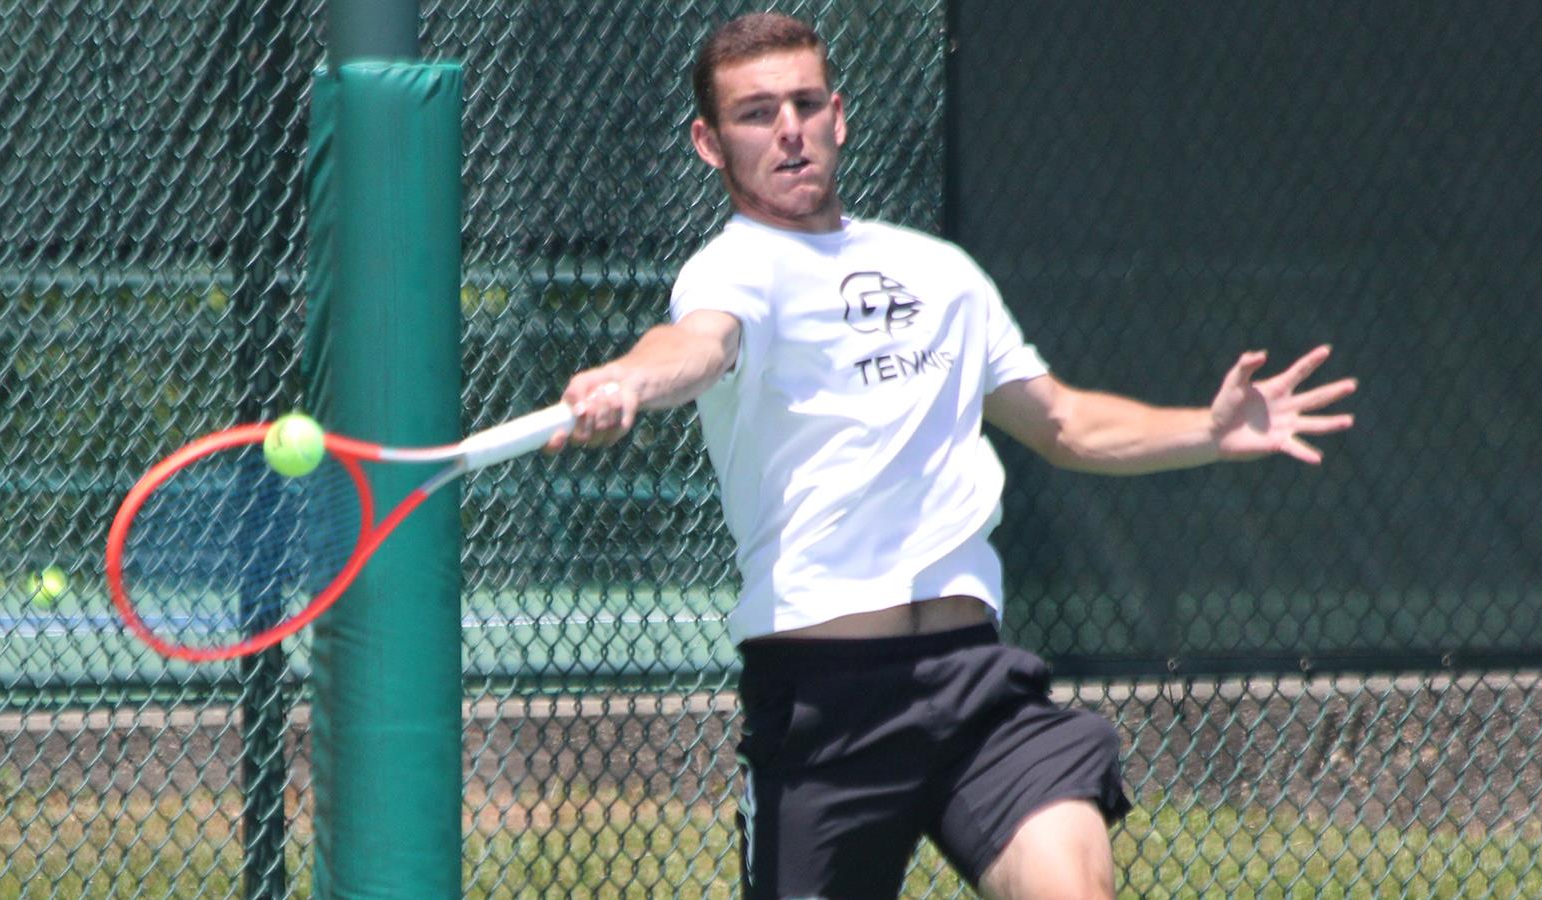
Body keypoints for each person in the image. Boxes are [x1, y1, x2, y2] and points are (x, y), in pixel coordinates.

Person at [545, 12, 1357, 900]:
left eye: (806, 103)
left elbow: (1064, 424)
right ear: (709, 142)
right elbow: (695, 345)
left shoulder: (940, 273)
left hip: (975, 685)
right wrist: (627, 377)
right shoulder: (734, 271)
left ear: (839, 116)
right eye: (755, 112)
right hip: (824, 706)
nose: (788, 129)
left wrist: (1208, 430)